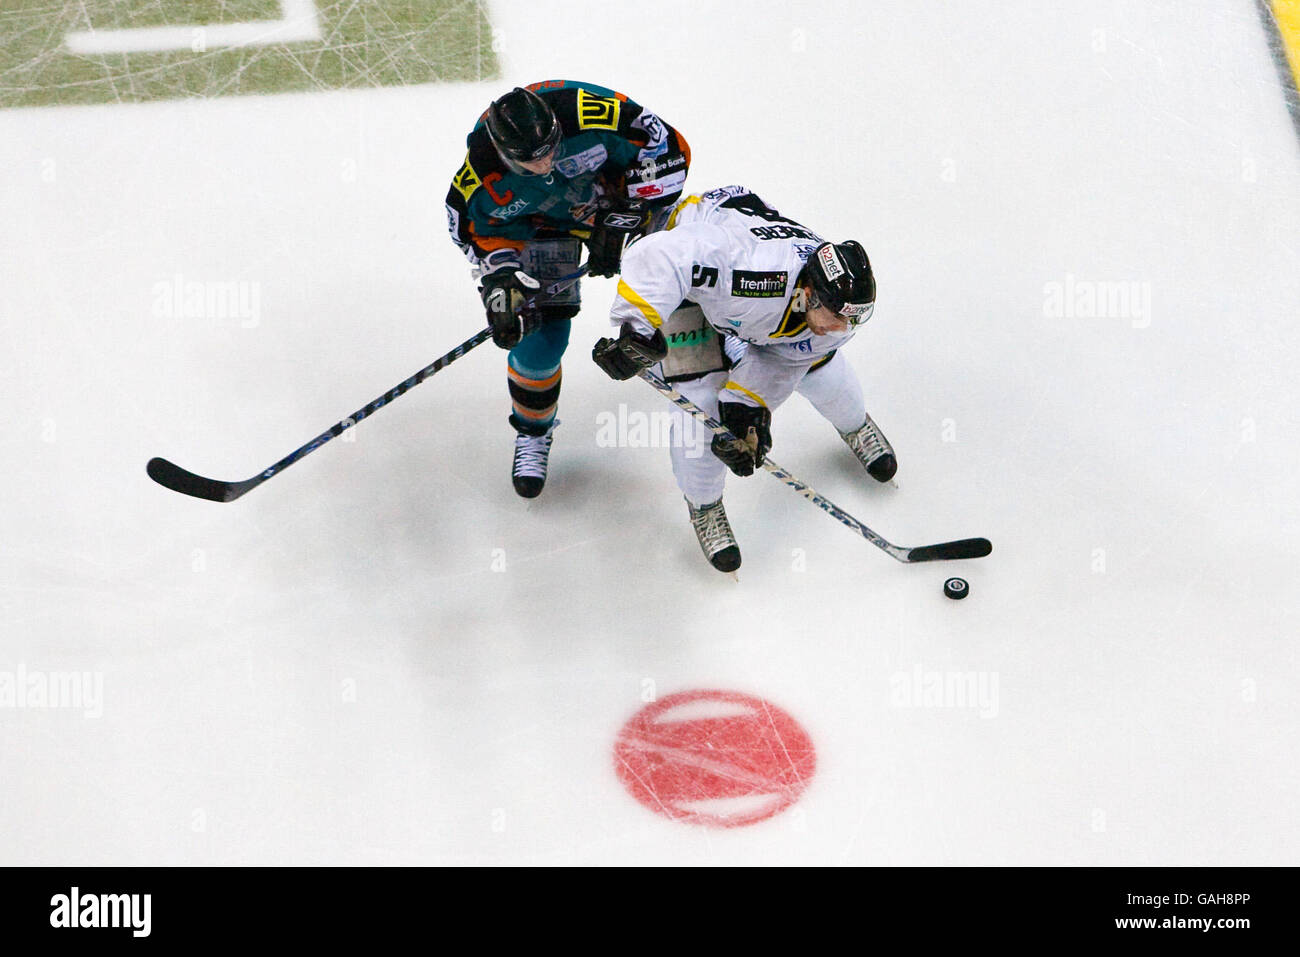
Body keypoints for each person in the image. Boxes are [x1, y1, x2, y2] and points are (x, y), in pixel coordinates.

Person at [592, 185, 895, 572]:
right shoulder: (749, 271)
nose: (843, 326)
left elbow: (784, 362)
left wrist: (747, 414)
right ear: (808, 293)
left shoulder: (834, 317)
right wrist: (637, 329)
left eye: (853, 317)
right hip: (687, 286)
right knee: (700, 401)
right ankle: (704, 506)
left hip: (746, 295)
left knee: (821, 370)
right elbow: (660, 255)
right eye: (838, 315)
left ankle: (856, 425)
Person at [445, 80, 691, 497]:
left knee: (682, 266)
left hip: (620, 202)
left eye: (550, 150)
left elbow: (672, 153)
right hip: (544, 230)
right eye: (530, 160)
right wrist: (503, 283)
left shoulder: (595, 114)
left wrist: (624, 212)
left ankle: (712, 353)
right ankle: (533, 431)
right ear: (504, 153)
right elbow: (481, 237)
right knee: (541, 338)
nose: (544, 164)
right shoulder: (478, 181)